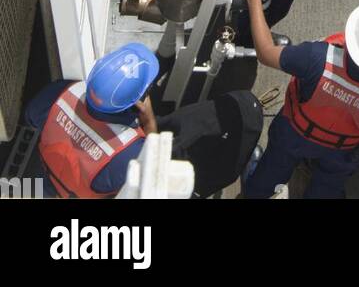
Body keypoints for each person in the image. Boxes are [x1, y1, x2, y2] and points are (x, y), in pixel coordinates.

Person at [239, 0, 359, 199]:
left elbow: (266, 52)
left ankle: (256, 193)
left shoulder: (316, 57)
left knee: (272, 170)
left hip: (295, 134)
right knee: (328, 186)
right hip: (343, 150)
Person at [26, 44, 263, 200]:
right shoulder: (128, 151)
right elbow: (154, 175)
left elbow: (32, 115)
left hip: (45, 183)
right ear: (138, 100)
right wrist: (150, 125)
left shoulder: (60, 93)